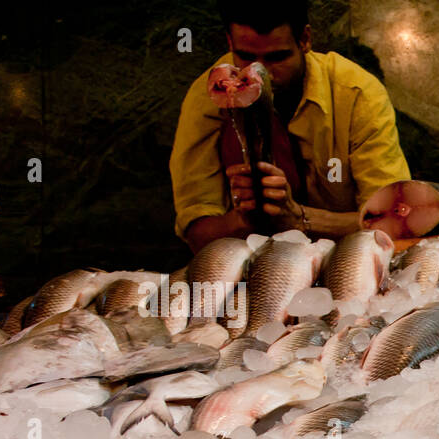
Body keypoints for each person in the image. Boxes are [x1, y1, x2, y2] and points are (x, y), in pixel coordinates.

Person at [170, 0, 410, 252]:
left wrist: (298, 218)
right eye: (246, 57)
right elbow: (197, 233)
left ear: (305, 39)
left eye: (277, 57)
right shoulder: (208, 96)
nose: (263, 75)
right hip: (249, 260)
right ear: (230, 43)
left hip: (349, 257)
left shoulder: (356, 93)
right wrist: (243, 219)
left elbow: (395, 223)